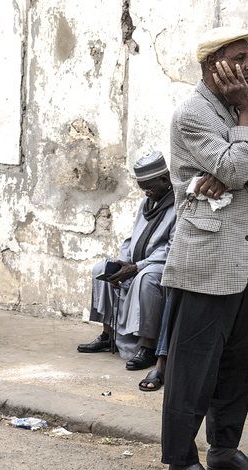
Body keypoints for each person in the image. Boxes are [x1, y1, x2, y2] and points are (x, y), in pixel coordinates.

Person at [160, 26, 248, 470]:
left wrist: (235, 172)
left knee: (239, 359)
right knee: (194, 362)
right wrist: (246, 128)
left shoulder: (234, 113)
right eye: (240, 57)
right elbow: (240, 167)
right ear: (214, 66)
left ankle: (224, 449)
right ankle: (182, 461)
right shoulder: (193, 114)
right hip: (207, 255)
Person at [77, 150, 175, 389]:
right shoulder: (147, 202)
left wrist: (137, 266)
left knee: (147, 279)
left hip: (160, 267)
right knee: (102, 269)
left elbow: (171, 249)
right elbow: (134, 238)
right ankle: (107, 334)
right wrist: (123, 261)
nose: (146, 192)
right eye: (143, 187)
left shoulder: (179, 206)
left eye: (150, 187)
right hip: (136, 262)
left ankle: (147, 346)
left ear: (165, 180)